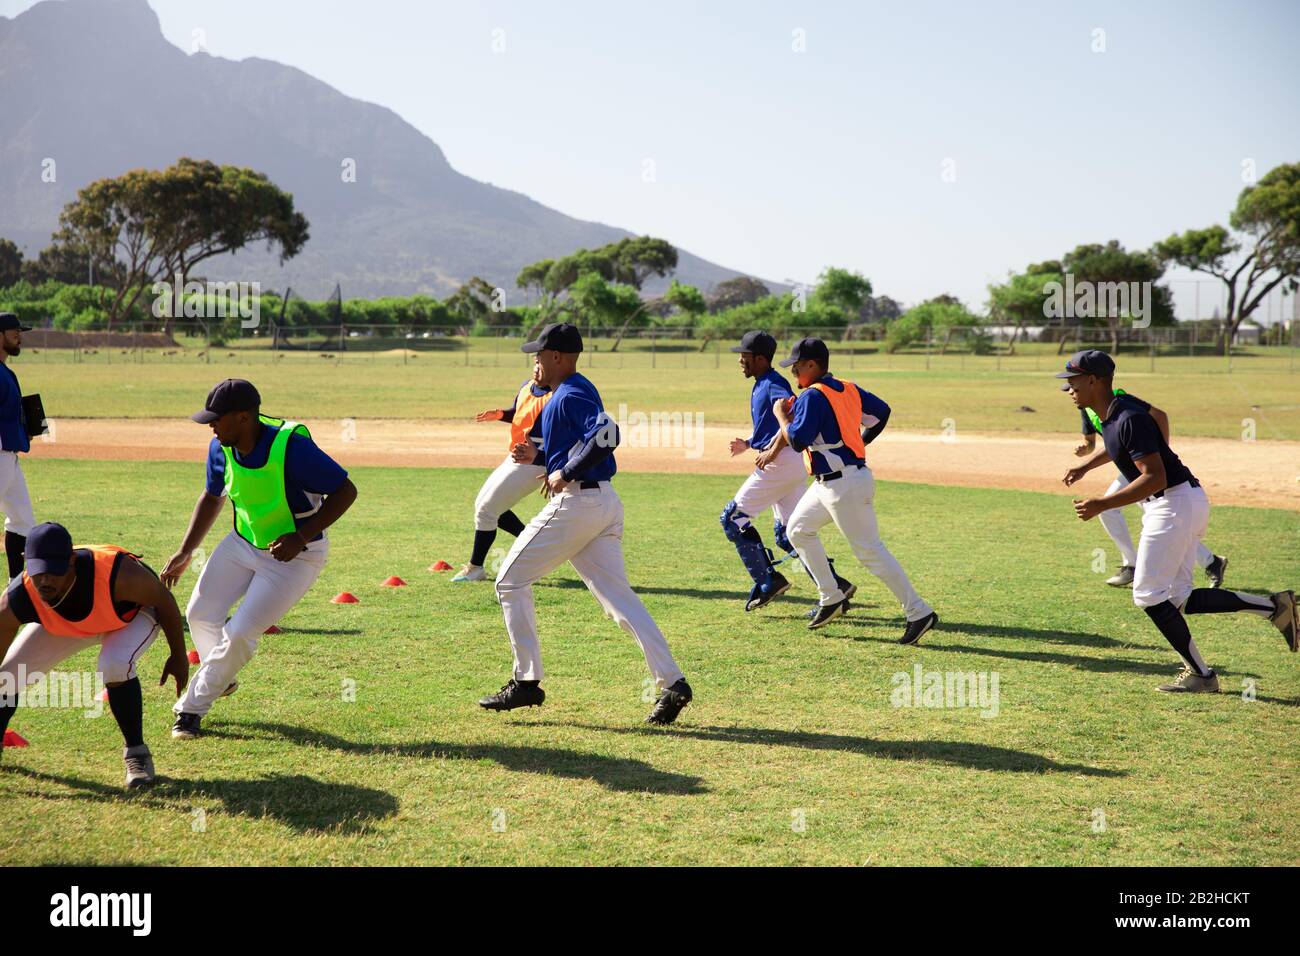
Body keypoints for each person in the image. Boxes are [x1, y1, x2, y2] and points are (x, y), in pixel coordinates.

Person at [477, 323, 694, 724]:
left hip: (579, 504)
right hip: (602, 503)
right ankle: (673, 683)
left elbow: (609, 435)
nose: (535, 362)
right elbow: (572, 446)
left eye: (539, 355)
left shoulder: (571, 393)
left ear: (557, 357)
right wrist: (541, 459)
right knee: (620, 602)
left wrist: (566, 471)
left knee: (508, 581)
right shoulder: (570, 391)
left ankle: (526, 682)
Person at [1060, 350, 1297, 692]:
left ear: (1094, 381)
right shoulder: (1112, 415)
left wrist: (1103, 503)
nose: (1069, 389)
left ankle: (1202, 674)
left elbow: (1154, 477)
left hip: (1172, 504)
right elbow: (1118, 447)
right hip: (1182, 501)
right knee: (1177, 597)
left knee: (1147, 595)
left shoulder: (1128, 417)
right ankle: (1273, 607)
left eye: (1074, 382)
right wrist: (1085, 467)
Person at [160, 379, 357, 737]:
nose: (211, 426)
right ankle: (221, 678)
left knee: (239, 633)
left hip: (297, 557)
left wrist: (301, 536)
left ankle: (190, 709)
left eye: (217, 418)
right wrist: (186, 550)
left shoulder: (291, 448)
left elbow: (346, 490)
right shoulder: (220, 447)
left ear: (244, 417)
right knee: (200, 613)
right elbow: (212, 496)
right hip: (242, 543)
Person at [772, 337, 938, 643]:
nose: (793, 373)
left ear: (812, 365)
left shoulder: (812, 396)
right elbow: (882, 412)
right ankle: (831, 597)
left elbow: (797, 441)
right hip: (830, 483)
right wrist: (860, 442)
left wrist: (782, 417)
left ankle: (919, 612)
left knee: (869, 551)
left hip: (844, 486)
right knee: (797, 530)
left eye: (796, 367)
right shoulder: (847, 387)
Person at [0, 522, 190, 787]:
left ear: (71, 560)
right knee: (7, 677)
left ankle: (136, 754)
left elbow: (164, 601)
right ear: (25, 561)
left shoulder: (119, 574)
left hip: (130, 616)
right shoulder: (17, 598)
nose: (45, 580)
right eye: (39, 571)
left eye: (54, 571)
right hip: (72, 622)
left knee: (114, 663)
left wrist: (178, 655)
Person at [722, 330, 856, 612]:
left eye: (745, 356)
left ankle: (768, 581)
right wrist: (749, 443)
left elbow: (792, 414)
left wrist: (771, 450)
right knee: (788, 533)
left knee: (733, 519)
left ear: (760, 359)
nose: (740, 361)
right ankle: (836, 586)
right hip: (791, 463)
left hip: (781, 462)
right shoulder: (763, 383)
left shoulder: (773, 383)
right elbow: (770, 425)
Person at [1072, 382, 1227, 589]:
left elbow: (1160, 415)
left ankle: (1132, 565)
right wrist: (1085, 450)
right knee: (1163, 522)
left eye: (1075, 387)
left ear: (1092, 384)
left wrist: (1159, 451)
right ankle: (1211, 561)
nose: (1072, 392)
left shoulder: (1119, 401)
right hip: (1135, 469)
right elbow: (1095, 443)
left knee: (1113, 510)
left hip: (1147, 468)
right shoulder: (1086, 408)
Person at [452, 374, 552, 582]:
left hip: (536, 460)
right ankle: (533, 544)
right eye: (535, 361)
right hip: (516, 454)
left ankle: (475, 568)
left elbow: (563, 431)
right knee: (485, 505)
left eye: (540, 361)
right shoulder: (527, 386)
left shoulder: (557, 394)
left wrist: (553, 465)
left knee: (487, 509)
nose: (536, 366)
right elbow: (518, 413)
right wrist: (500, 414)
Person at [0, 312, 37, 581]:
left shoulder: (5, 372)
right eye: (14, 332)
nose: (19, 337)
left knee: (23, 522)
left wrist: (25, 431)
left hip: (9, 457)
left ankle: (16, 589)